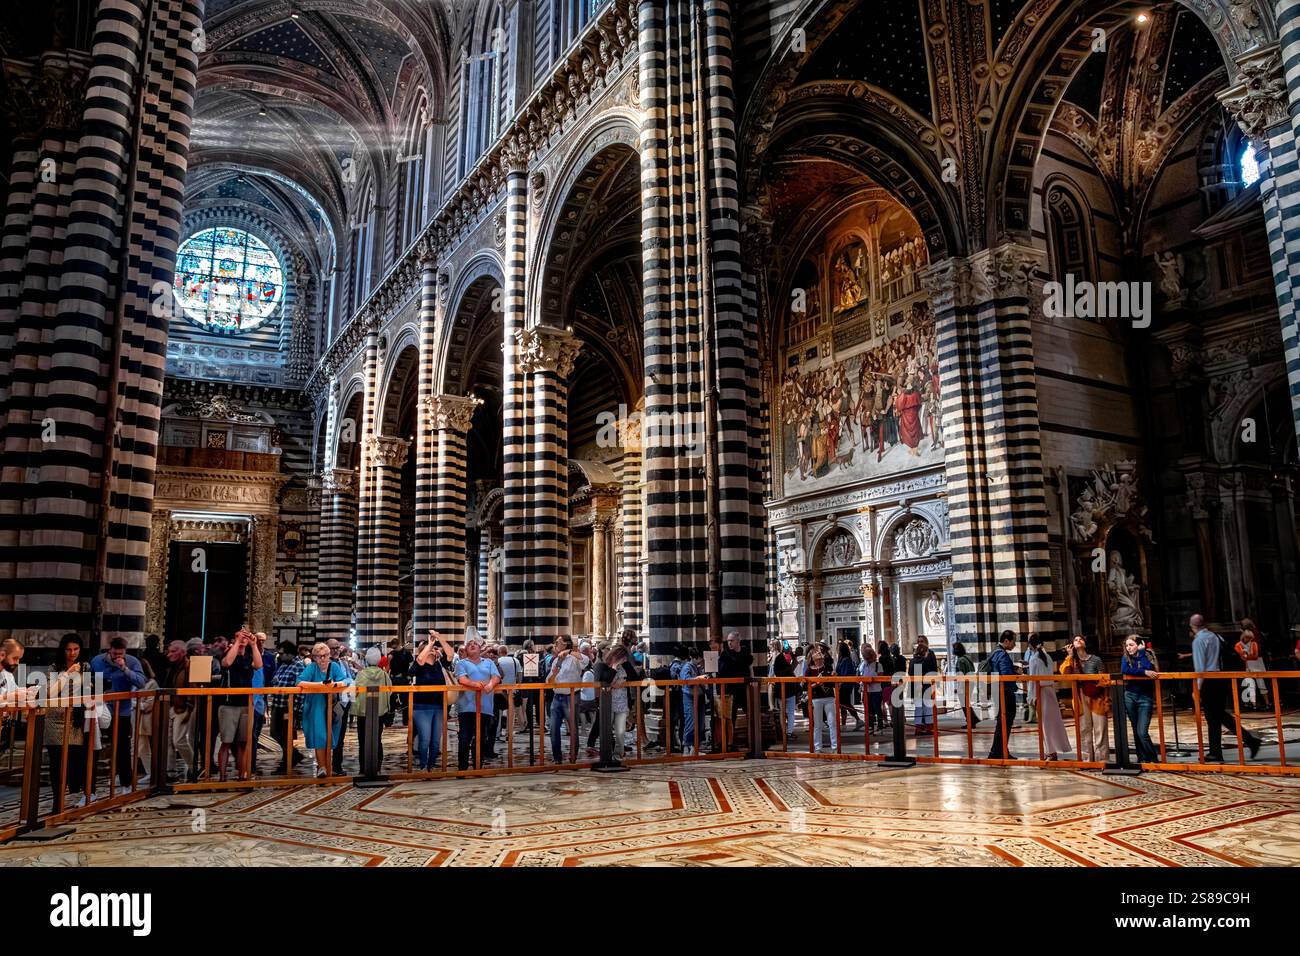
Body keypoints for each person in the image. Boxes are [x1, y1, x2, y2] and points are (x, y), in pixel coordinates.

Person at [1191, 613, 1262, 762]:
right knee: (1219, 715)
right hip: (1221, 679)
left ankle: (1217, 752)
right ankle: (1248, 741)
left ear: (1193, 626)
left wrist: (1196, 689)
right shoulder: (1216, 636)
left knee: (1213, 716)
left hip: (1209, 680)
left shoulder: (1199, 641)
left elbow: (1200, 668)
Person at [89, 637, 147, 788]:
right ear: (110, 650)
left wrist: (125, 669)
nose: (117, 657)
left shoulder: (132, 661)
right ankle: (90, 786)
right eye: (115, 654)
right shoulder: (97, 661)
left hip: (122, 712)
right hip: (101, 709)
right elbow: (89, 680)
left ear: (125, 652)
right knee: (95, 744)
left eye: (120, 654)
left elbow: (141, 682)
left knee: (122, 747)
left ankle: (125, 783)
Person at [44, 634, 87, 812]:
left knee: (73, 759)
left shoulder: (86, 667)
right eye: (69, 649)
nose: (72, 653)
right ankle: (56, 802)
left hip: (75, 718)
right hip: (55, 718)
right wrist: (67, 674)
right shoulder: (54, 668)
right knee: (56, 761)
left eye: (76, 649)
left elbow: (92, 691)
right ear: (63, 650)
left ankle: (73, 790)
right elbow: (50, 693)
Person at [297, 643, 351, 778]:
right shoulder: (312, 667)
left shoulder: (334, 666)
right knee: (319, 735)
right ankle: (322, 767)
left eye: (325, 656)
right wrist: (319, 685)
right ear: (314, 658)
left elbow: (345, 680)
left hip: (330, 706)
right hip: (315, 705)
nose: (322, 659)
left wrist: (336, 684)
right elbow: (300, 682)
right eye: (319, 656)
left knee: (330, 735)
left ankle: (328, 765)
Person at [216, 627, 260, 782]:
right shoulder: (227, 654)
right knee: (226, 742)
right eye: (239, 636)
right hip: (228, 704)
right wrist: (236, 643)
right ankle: (222, 776)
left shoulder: (248, 656)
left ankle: (242, 774)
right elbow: (227, 663)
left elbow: (259, 665)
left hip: (245, 704)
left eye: (245, 637)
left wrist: (254, 645)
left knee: (243, 742)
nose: (242, 639)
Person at [1059, 635, 1109, 763]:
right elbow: (1065, 674)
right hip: (1080, 696)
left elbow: (1104, 677)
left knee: (1100, 728)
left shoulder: (1095, 659)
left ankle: (1101, 760)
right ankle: (1087, 759)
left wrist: (1098, 686)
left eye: (1080, 639)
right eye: (1075, 640)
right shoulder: (1072, 661)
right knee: (1084, 728)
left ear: (1085, 644)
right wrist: (1070, 656)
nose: (1078, 641)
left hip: (1096, 696)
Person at [456, 636, 500, 770]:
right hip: (467, 706)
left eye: (475, 643)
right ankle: (462, 768)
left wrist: (490, 685)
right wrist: (476, 684)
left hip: (485, 706)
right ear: (466, 650)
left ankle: (478, 767)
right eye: (470, 644)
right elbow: (462, 679)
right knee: (465, 738)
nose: (473, 645)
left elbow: (496, 676)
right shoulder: (462, 663)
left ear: (480, 648)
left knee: (481, 738)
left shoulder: (488, 662)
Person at [412, 632, 454, 771]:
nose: (431, 650)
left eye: (433, 648)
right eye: (427, 649)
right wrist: (429, 644)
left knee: (436, 741)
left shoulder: (440, 664)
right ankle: (423, 765)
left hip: (439, 706)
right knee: (425, 739)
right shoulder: (418, 666)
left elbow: (450, 653)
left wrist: (439, 638)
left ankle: (431, 766)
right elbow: (419, 660)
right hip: (421, 707)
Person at [1025, 634, 1070, 760]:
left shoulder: (1034, 658)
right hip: (1050, 690)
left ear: (1030, 645)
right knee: (1053, 722)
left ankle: (1050, 752)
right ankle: (1053, 750)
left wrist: (1030, 697)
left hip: (1041, 692)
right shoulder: (1047, 657)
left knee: (1045, 724)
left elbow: (1033, 680)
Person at [545, 635, 585, 764]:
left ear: (566, 644)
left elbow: (587, 660)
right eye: (555, 642)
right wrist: (555, 671)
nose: (555, 644)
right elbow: (549, 680)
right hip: (557, 697)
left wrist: (569, 652)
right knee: (554, 728)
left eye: (558, 642)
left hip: (571, 697)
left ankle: (573, 756)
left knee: (573, 729)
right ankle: (557, 757)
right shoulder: (555, 660)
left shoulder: (574, 658)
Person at [160, 640, 196, 782]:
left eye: (173, 651)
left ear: (183, 652)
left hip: (182, 707)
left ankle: (193, 767)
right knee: (167, 741)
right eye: (169, 651)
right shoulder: (172, 667)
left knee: (178, 740)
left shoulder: (188, 666)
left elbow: (192, 687)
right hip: (171, 706)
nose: (169, 654)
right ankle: (171, 771)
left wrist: (189, 706)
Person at [1120, 635, 1159, 763]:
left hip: (1145, 697)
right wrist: (1143, 673)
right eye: (1127, 645)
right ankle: (1141, 758)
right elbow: (1125, 670)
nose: (1128, 648)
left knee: (1142, 731)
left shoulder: (1147, 655)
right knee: (1135, 729)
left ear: (1139, 644)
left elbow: (1149, 668)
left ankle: (1153, 759)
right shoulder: (1126, 657)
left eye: (1131, 645)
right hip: (1130, 696)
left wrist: (1141, 654)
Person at [268, 643, 306, 773]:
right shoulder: (283, 665)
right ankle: (294, 755)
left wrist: (296, 709)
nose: (280, 655)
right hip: (278, 704)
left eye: (282, 653)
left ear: (290, 654)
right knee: (274, 732)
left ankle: (287, 761)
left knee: (286, 734)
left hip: (288, 707)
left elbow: (300, 688)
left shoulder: (298, 665)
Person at [353, 647, 390, 772]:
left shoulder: (361, 674)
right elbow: (389, 690)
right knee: (377, 739)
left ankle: (363, 768)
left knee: (363, 739)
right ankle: (377, 767)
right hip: (379, 712)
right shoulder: (384, 675)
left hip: (363, 712)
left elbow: (355, 692)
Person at [986, 631, 1017, 760]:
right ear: (1006, 640)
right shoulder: (1002, 655)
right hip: (1005, 692)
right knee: (1005, 722)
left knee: (1002, 722)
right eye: (1013, 641)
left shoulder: (995, 652)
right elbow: (1005, 675)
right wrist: (1016, 675)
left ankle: (1000, 751)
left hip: (998, 691)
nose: (1014, 644)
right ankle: (996, 752)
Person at [804, 643, 838, 754]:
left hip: (829, 697)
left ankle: (835, 747)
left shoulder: (828, 667)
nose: (820, 660)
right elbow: (805, 686)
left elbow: (833, 684)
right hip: (816, 698)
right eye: (817, 658)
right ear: (813, 659)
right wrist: (816, 684)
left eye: (821, 658)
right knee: (817, 724)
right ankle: (817, 747)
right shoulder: (809, 670)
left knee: (832, 722)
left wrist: (834, 677)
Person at [1235, 619, 1270, 711]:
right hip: (1252, 662)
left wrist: (1246, 655)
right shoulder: (1253, 635)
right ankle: (1256, 704)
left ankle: (1263, 703)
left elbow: (1255, 653)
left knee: (1258, 682)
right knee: (1251, 683)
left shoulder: (1254, 636)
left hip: (1256, 661)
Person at [680, 646, 707, 755]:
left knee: (700, 723)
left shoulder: (697, 667)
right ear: (692, 657)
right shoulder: (687, 667)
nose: (698, 660)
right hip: (689, 697)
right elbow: (686, 680)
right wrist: (698, 678)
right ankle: (687, 746)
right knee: (691, 721)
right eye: (696, 658)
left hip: (699, 696)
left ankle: (696, 747)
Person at [910, 637, 938, 735]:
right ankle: (929, 726)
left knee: (918, 707)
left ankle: (918, 727)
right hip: (926, 686)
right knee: (928, 707)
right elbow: (932, 672)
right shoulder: (925, 661)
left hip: (916, 687)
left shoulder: (913, 661)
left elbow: (910, 673)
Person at [772, 640, 799, 737]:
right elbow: (793, 666)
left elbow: (777, 672)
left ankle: (786, 732)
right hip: (787, 689)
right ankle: (788, 732)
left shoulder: (778, 658)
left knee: (784, 712)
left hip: (783, 689)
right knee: (789, 712)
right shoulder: (784, 659)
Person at [835, 640, 864, 731]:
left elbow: (845, 674)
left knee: (845, 703)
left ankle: (856, 720)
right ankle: (845, 724)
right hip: (843, 684)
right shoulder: (843, 660)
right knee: (843, 704)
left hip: (845, 685)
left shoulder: (846, 660)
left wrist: (838, 679)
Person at [387, 639, 413, 726]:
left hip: (403, 679)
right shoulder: (391, 654)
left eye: (395, 646)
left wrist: (409, 676)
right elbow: (388, 668)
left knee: (405, 701)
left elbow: (411, 664)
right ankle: (389, 721)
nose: (394, 648)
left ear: (398, 644)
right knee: (391, 701)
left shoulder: (406, 653)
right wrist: (389, 660)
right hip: (393, 679)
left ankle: (406, 721)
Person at [951, 642, 978, 727]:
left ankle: (971, 720)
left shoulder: (960, 660)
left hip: (965, 683)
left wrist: (958, 687)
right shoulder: (967, 658)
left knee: (964, 703)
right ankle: (972, 720)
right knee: (966, 702)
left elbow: (961, 675)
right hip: (971, 682)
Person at [858, 645, 883, 734]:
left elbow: (880, 677)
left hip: (876, 690)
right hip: (867, 690)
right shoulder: (864, 665)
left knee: (877, 709)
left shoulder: (878, 665)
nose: (867, 660)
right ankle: (870, 726)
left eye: (868, 658)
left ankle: (880, 726)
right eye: (865, 658)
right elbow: (861, 674)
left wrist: (871, 680)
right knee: (868, 709)